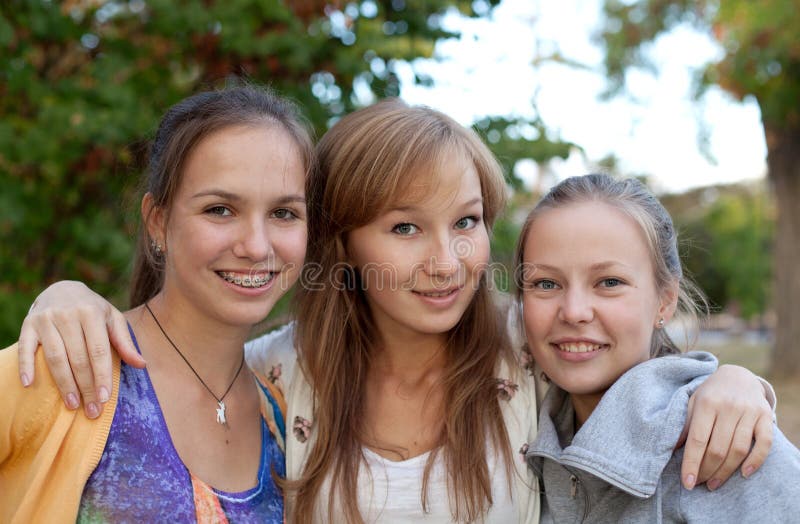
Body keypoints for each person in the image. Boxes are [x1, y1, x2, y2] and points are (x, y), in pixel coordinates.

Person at [17, 101, 776, 522]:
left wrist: (731, 382)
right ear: (343, 241)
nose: (446, 261)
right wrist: (65, 299)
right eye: (406, 228)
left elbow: (628, 358)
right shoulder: (274, 379)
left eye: (467, 222)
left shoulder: (527, 351)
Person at [0, 85, 314, 522]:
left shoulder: (282, 419)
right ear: (158, 222)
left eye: (283, 213)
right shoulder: (67, 366)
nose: (257, 246)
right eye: (220, 209)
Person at [517, 174, 800, 522]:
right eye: (546, 283)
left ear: (664, 301)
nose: (574, 311)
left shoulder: (730, 447)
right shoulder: (522, 434)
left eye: (609, 282)